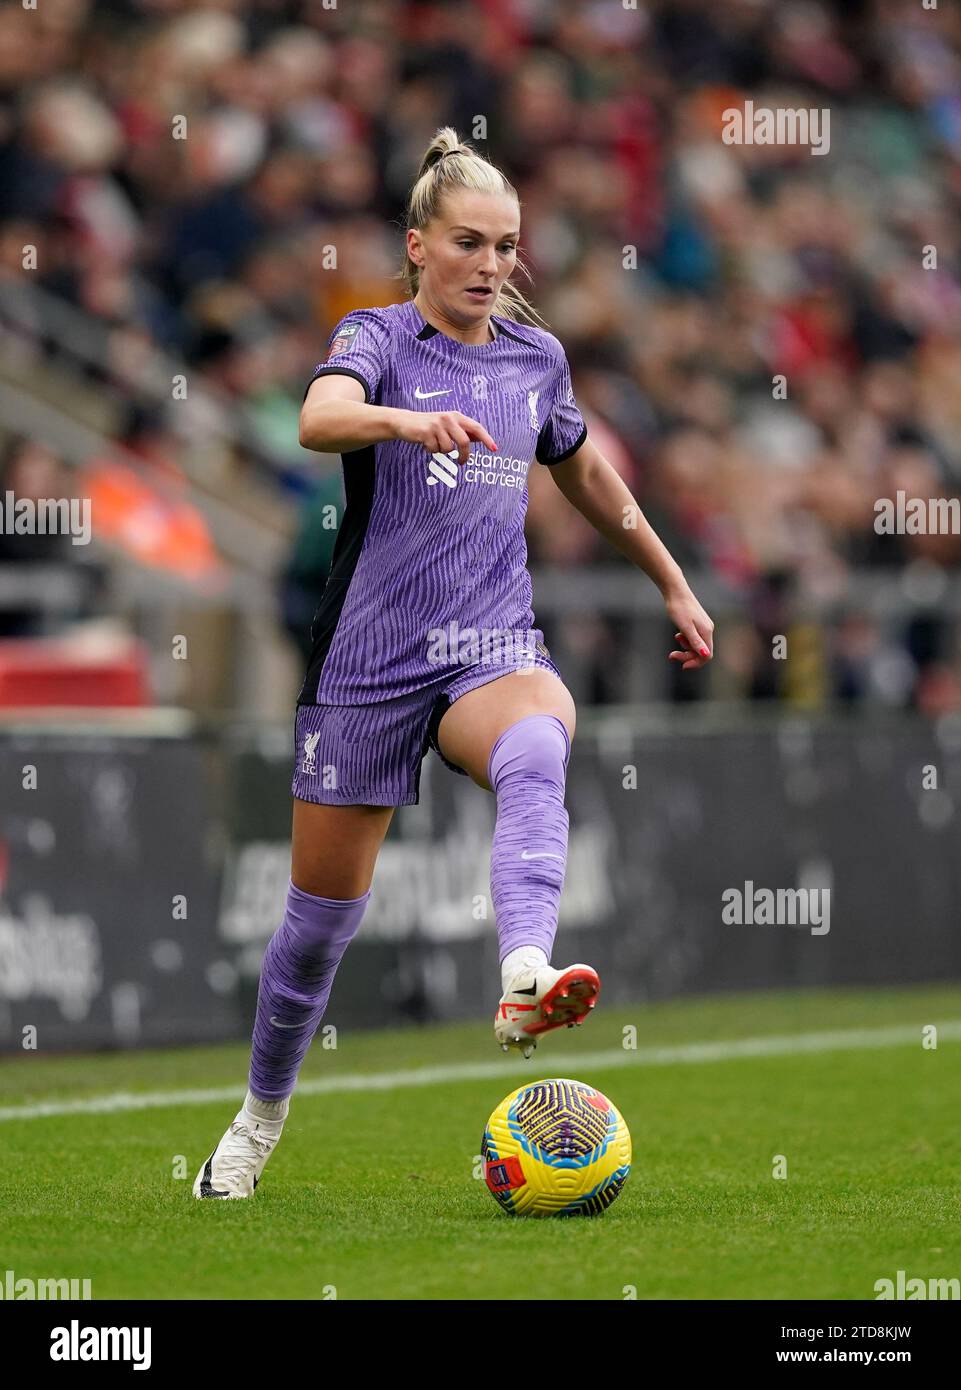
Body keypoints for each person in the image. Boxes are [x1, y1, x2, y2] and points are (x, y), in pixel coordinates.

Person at [194, 128, 714, 1199]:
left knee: (538, 737)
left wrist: (670, 577)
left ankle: (524, 970)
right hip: (369, 663)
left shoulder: (536, 361)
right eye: (469, 242)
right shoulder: (375, 335)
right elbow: (314, 418)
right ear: (418, 245)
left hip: (488, 646)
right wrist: (403, 420)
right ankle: (256, 1124)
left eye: (508, 245)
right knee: (315, 929)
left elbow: (587, 475)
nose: (492, 264)